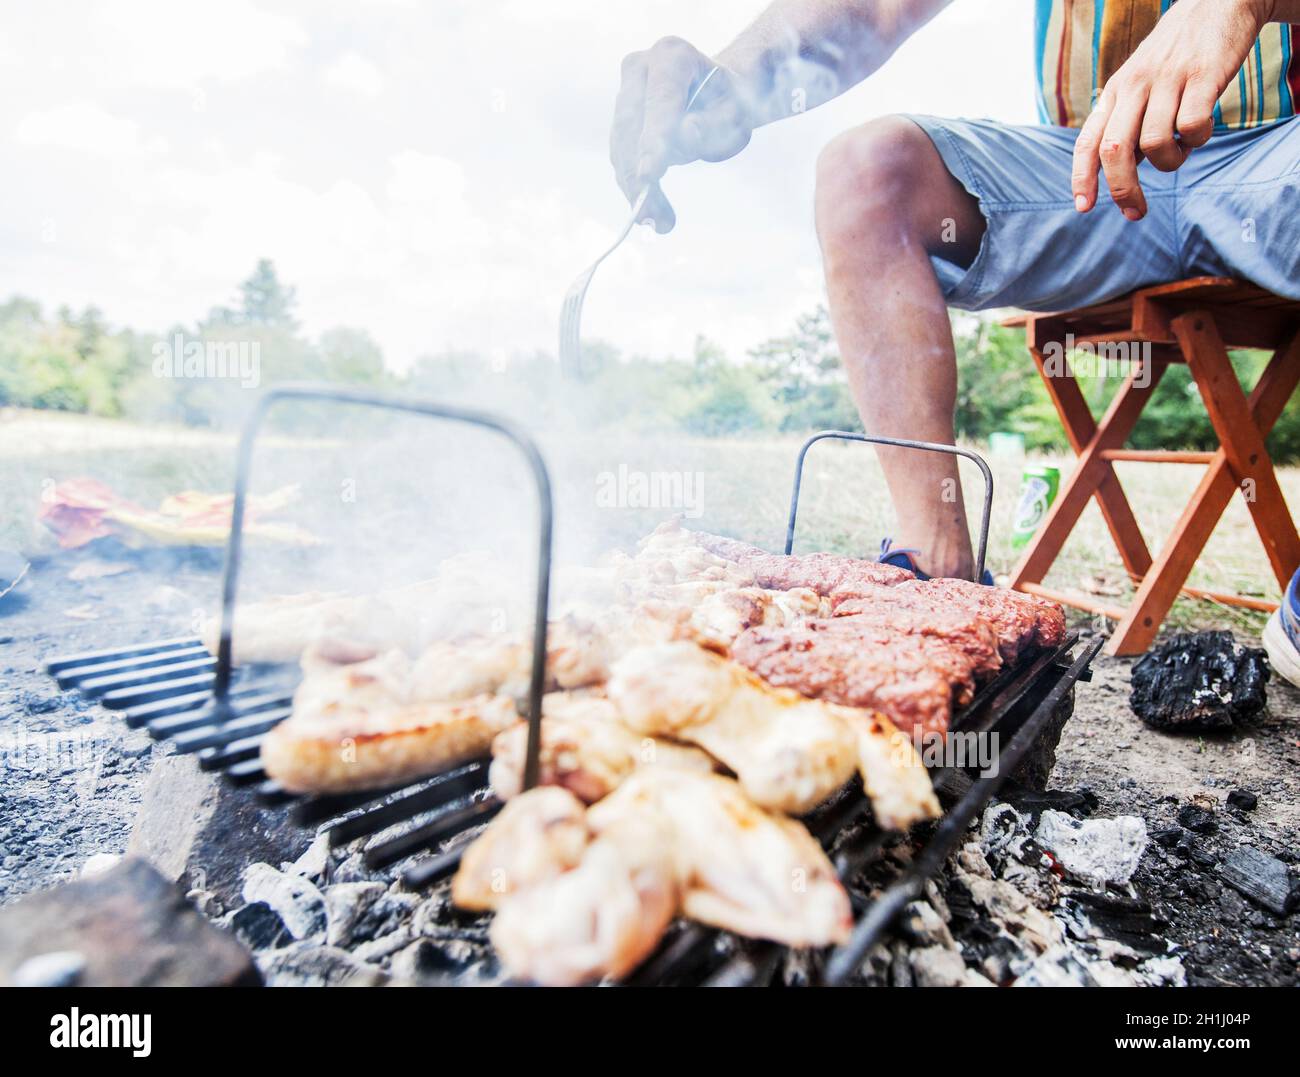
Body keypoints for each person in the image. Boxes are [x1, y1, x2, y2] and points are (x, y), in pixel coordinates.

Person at [609, 0, 1300, 631]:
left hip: (1271, 156)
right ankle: (936, 574)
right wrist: (730, 78)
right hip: (1092, 176)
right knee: (864, 169)